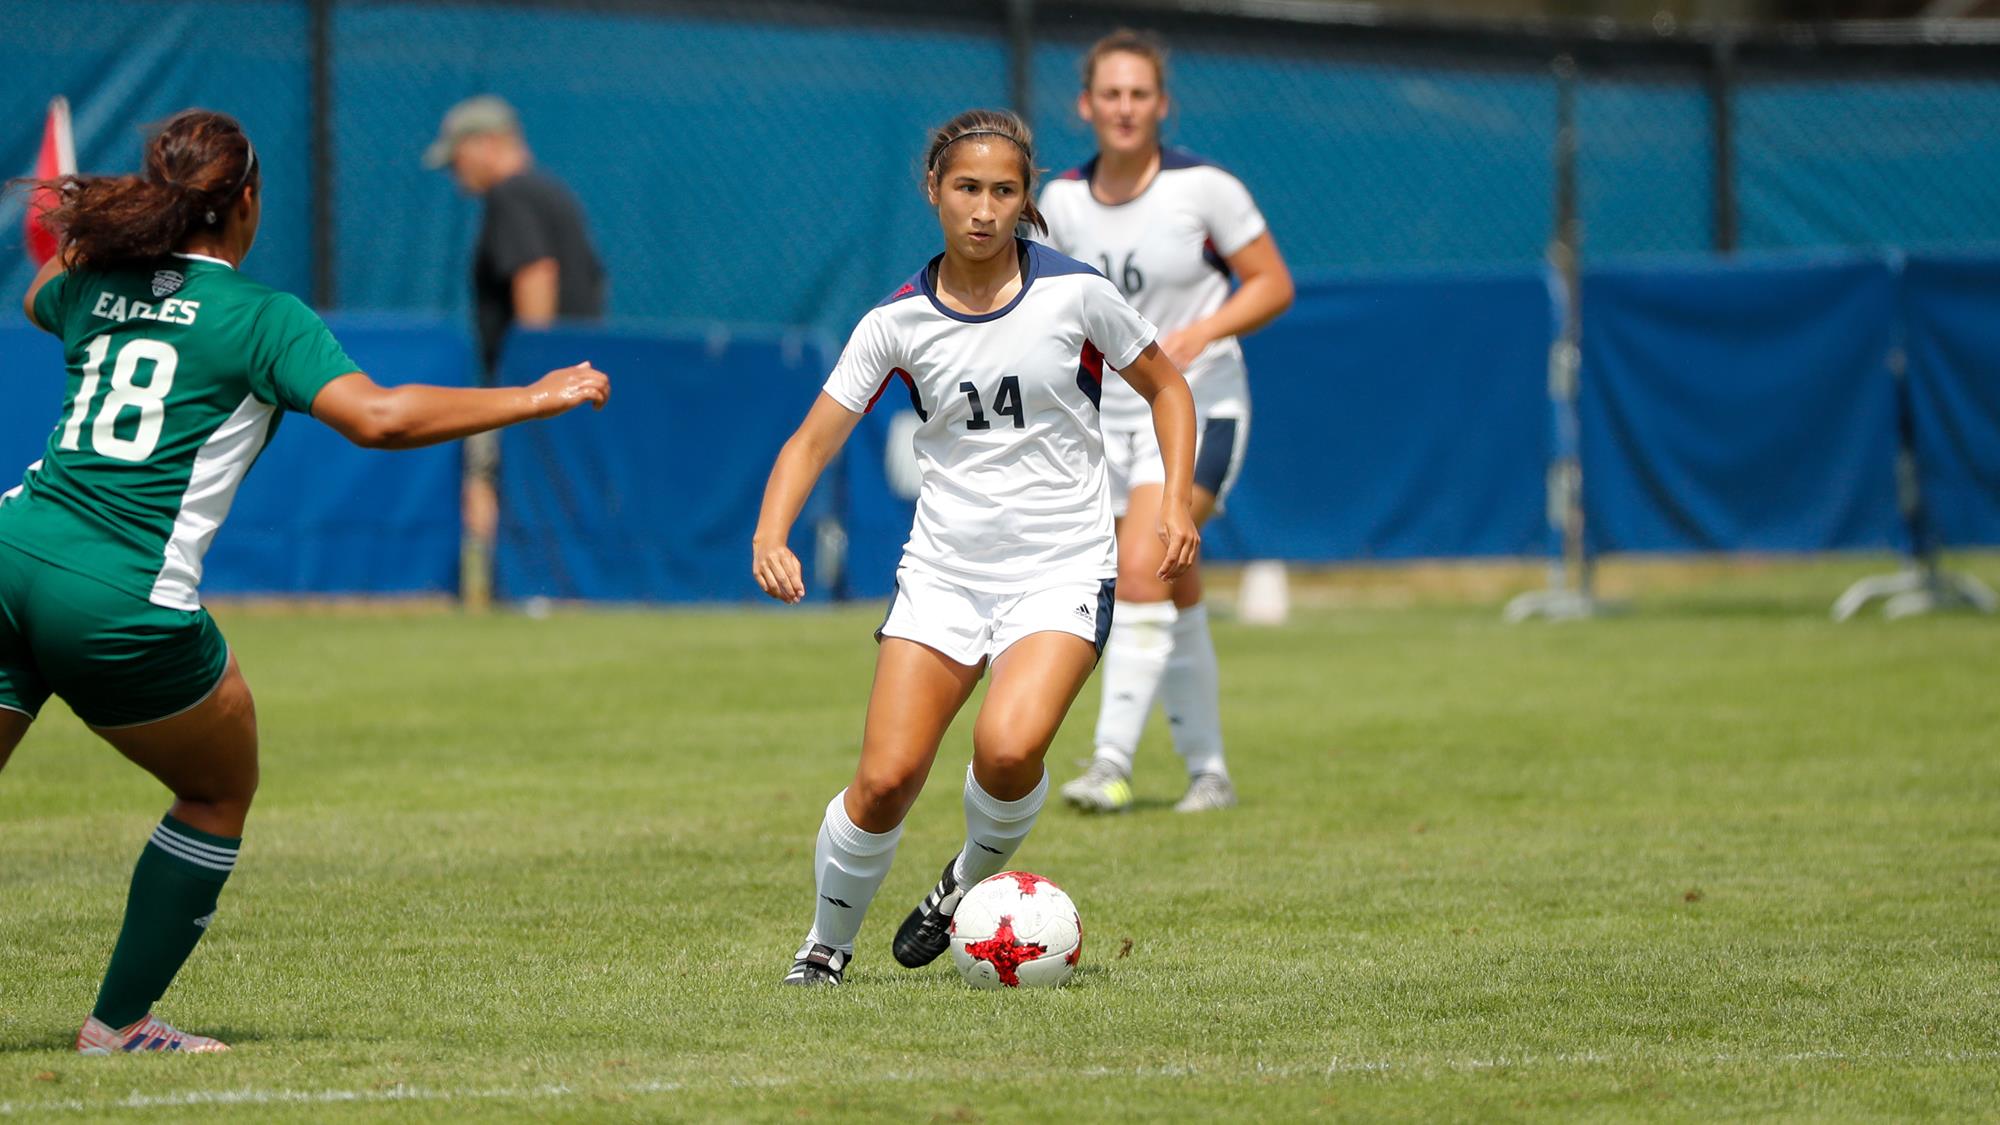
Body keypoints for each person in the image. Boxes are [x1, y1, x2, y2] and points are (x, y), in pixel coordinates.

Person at [3, 109, 610, 1053]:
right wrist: (536, 395)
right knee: (215, 790)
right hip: (117, 591)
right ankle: (117, 1025)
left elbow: (46, 285)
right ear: (246, 201)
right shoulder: (261, 316)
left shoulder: (94, 282)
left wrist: (101, 234)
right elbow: (379, 417)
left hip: (11, 550)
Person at [751, 108, 1199, 986]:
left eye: (1003, 190)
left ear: (1026, 198)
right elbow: (809, 441)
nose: (985, 209)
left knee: (1005, 748)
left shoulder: (1077, 293)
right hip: (945, 574)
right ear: (934, 192)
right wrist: (773, 532)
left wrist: (1174, 500)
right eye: (967, 188)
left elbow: (1169, 388)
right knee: (884, 780)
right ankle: (824, 947)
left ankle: (962, 882)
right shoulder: (896, 322)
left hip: (1063, 566)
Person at [1038, 29, 1295, 815]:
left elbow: (1272, 283)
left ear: (1162, 104)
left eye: (1139, 94)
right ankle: (1209, 770)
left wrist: (1202, 333)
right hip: (1101, 421)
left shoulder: (1205, 189)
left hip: (1196, 406)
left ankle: (1110, 762)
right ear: (1086, 105)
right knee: (1172, 583)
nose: (1124, 108)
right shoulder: (1061, 201)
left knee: (1145, 564)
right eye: (1109, 94)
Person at [424, 94, 606, 609]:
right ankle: (535, 585)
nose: (455, 170)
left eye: (457, 155)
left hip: (535, 380)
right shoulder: (557, 195)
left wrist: (535, 378)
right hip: (573, 376)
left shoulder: (511, 196)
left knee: (485, 475)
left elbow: (535, 272)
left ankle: (494, 587)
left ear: (486, 145)